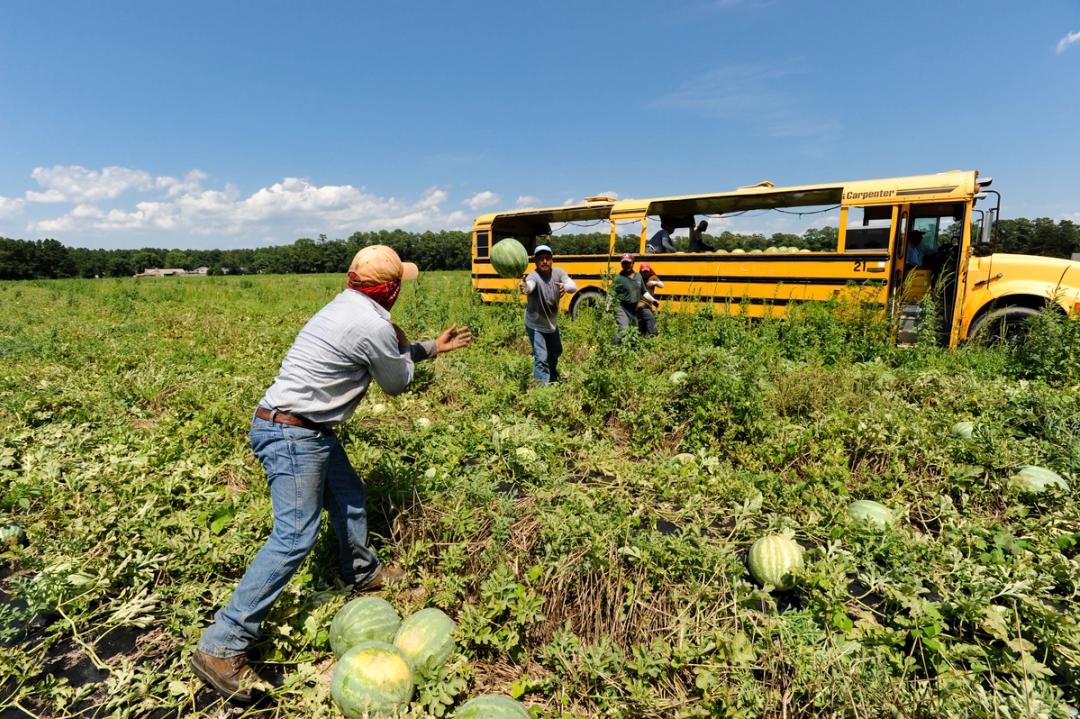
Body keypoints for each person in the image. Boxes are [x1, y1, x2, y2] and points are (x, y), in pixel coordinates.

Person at [191, 245, 473, 703]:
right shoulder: (374, 323)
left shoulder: (344, 307)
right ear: (393, 289)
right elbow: (396, 381)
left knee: (348, 494)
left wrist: (429, 348)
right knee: (293, 537)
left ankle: (361, 572)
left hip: (302, 427)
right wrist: (405, 345)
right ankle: (221, 644)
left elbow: (386, 354)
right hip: (295, 436)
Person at [520, 244, 576, 383]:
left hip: (551, 323)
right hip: (535, 324)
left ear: (551, 260)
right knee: (541, 357)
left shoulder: (558, 273)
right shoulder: (534, 276)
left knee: (556, 351)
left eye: (547, 258)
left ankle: (551, 376)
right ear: (535, 261)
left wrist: (566, 286)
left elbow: (574, 286)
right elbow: (530, 286)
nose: (544, 261)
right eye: (541, 258)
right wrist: (525, 287)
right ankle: (543, 391)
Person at [637, 263, 663, 337]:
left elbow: (662, 285)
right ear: (640, 271)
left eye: (646, 271)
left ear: (649, 271)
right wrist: (654, 300)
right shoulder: (638, 278)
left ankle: (642, 338)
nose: (645, 273)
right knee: (650, 319)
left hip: (648, 305)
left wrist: (654, 282)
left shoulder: (652, 277)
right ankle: (653, 338)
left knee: (643, 324)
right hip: (640, 304)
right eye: (643, 271)